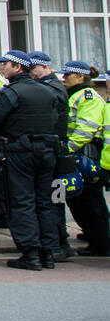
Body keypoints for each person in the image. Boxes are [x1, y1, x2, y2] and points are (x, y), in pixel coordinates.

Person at [0, 50, 66, 270]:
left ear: (18, 67)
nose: (2, 68)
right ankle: (48, 253)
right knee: (45, 202)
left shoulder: (11, 93)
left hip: (20, 150)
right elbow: (56, 120)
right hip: (47, 150)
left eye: (6, 64)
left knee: (23, 201)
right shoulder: (47, 91)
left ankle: (30, 254)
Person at [61, 60, 109, 256]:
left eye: (68, 74)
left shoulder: (88, 97)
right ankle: (92, 234)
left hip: (85, 154)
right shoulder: (75, 94)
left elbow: (85, 131)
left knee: (91, 200)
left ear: (80, 76)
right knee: (79, 199)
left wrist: (67, 150)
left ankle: (101, 243)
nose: (64, 77)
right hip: (78, 153)